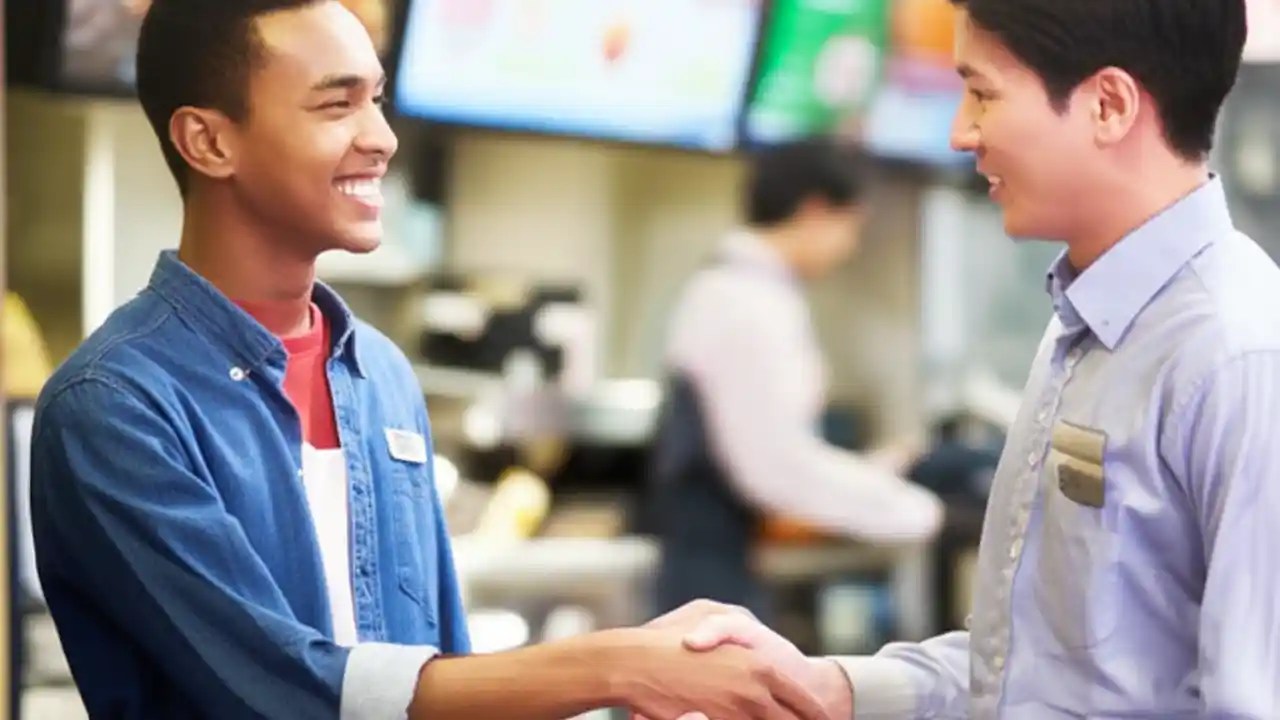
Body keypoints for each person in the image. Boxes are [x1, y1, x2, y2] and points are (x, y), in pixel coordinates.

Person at [27, 2, 833, 719]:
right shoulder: (115, 405)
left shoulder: (378, 375)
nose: (380, 138)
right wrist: (613, 666)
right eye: (335, 104)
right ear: (208, 140)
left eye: (375, 98)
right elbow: (284, 692)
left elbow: (441, 664)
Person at [656, 0, 1280, 718]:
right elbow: (1030, 667)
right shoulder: (1084, 321)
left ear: (1107, 105)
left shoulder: (1234, 356)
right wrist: (827, 686)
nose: (960, 133)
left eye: (982, 94)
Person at [649, 138, 943, 621]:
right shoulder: (745, 304)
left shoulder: (748, 293)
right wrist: (917, 512)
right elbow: (775, 468)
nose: (849, 248)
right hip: (709, 578)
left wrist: (874, 475)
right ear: (815, 211)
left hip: (722, 569)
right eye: (851, 228)